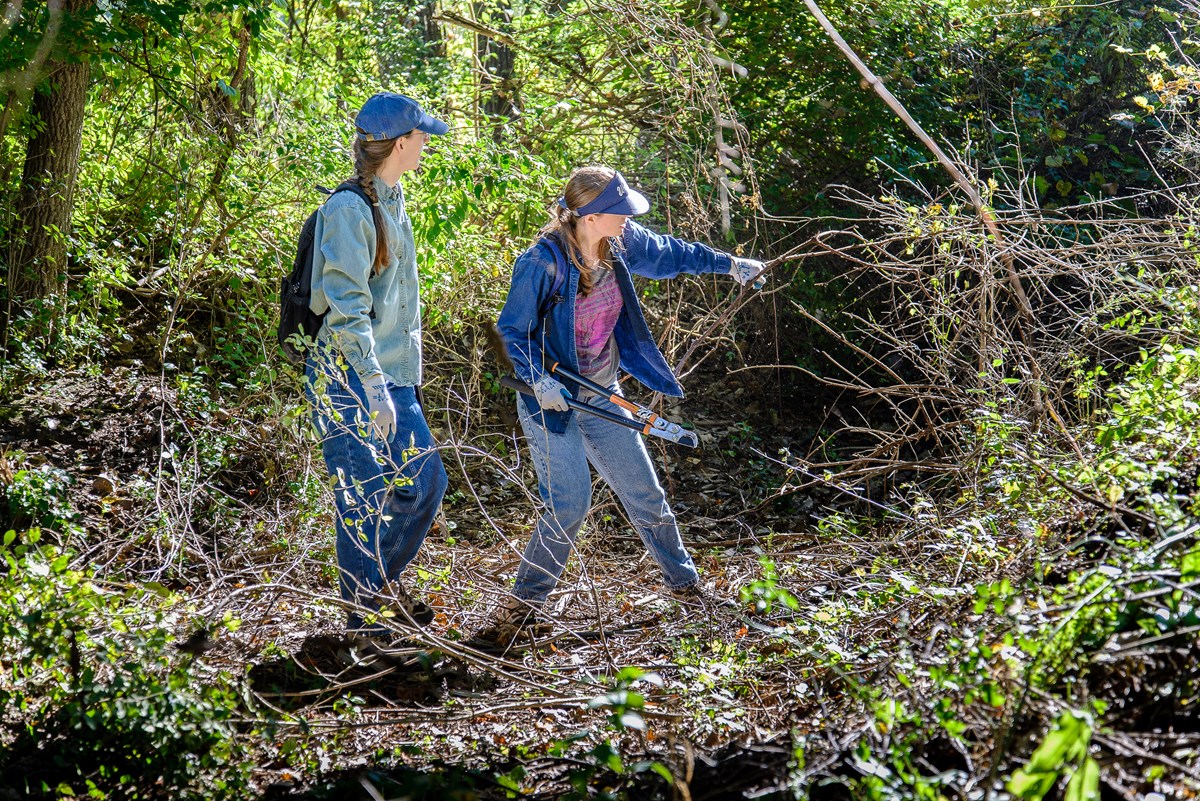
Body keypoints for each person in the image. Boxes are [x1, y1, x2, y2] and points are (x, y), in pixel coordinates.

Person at [489, 165, 766, 638]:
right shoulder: (541, 263)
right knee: (568, 505)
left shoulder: (620, 243)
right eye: (619, 212)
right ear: (591, 216)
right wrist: (537, 380)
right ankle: (521, 607)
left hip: (603, 392)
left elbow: (669, 254)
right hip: (551, 401)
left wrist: (728, 264)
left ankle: (684, 586)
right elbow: (510, 331)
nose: (629, 219)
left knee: (646, 495)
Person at [305, 92, 449, 637]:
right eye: (421, 136)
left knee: (426, 482)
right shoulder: (347, 209)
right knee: (360, 496)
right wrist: (371, 383)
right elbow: (347, 305)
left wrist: (393, 383)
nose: (426, 143)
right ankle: (366, 625)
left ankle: (374, 590)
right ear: (399, 142)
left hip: (392, 376)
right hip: (346, 376)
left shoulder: (394, 198)